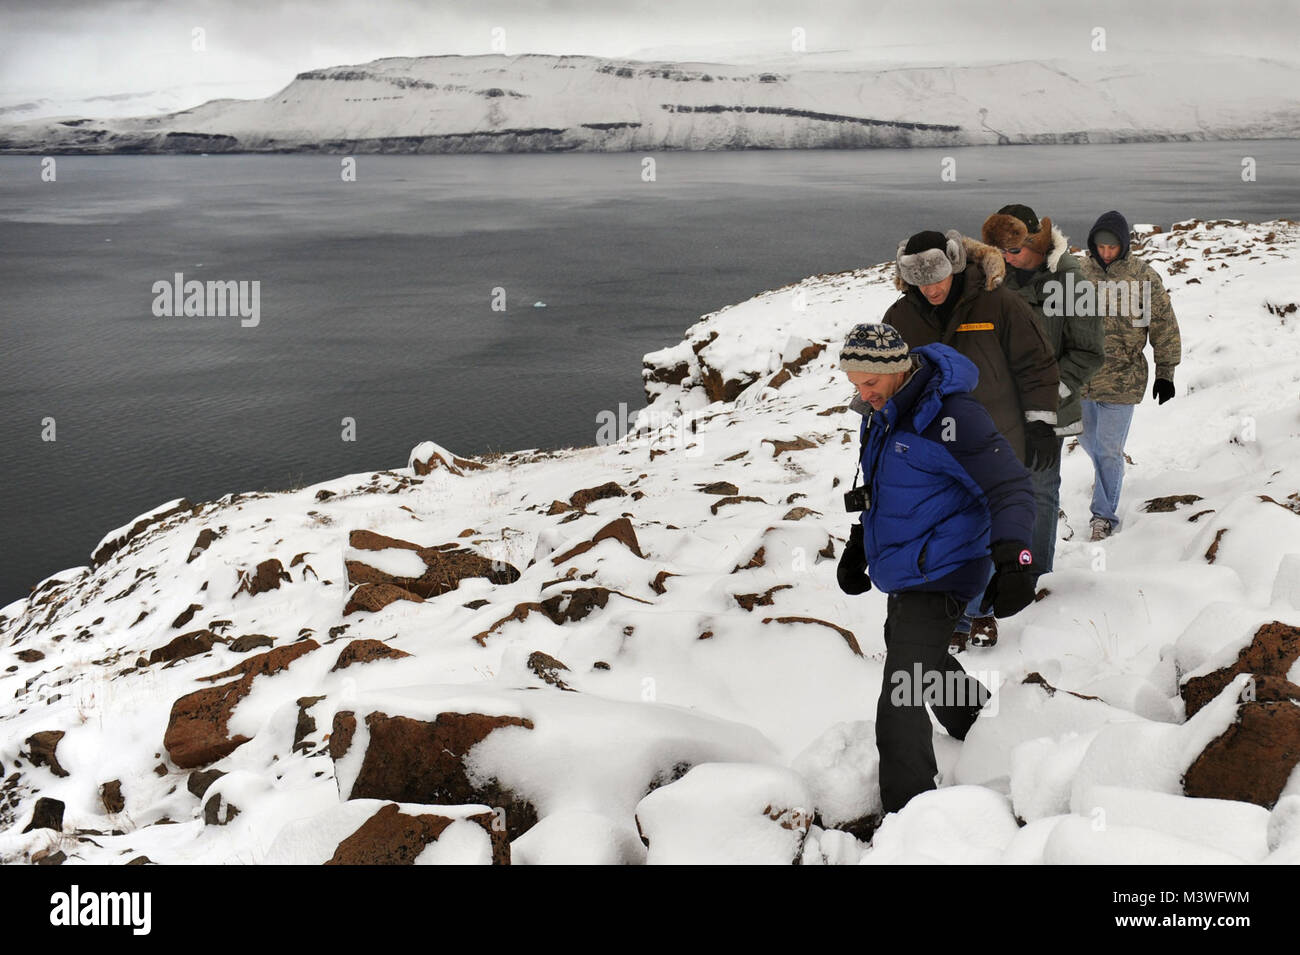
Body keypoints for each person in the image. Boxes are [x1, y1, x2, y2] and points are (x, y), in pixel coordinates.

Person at [835, 322, 1036, 815]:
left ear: (899, 369)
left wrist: (1017, 559)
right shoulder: (883, 412)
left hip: (947, 565)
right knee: (916, 654)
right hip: (911, 564)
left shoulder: (952, 416)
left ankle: (909, 812)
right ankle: (980, 723)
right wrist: (862, 542)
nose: (862, 395)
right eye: (855, 383)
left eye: (870, 383)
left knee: (900, 692)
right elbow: (890, 489)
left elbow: (1010, 485)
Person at [884, 229, 1058, 650]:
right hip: (932, 446)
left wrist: (1040, 423)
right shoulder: (899, 317)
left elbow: (1035, 363)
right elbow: (891, 381)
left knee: (984, 527)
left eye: (938, 277)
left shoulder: (998, 302)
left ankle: (977, 615)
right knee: (947, 528)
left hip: (994, 435)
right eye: (920, 281)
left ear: (955, 264)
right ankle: (951, 614)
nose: (932, 289)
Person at [981, 204, 1104, 580]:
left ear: (1037, 241)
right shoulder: (991, 280)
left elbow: (1088, 353)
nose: (1006, 258)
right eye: (1000, 251)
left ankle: (1031, 576)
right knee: (992, 492)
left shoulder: (1073, 284)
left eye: (1014, 250)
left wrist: (1045, 395)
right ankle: (994, 574)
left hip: (1051, 409)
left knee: (1039, 490)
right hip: (997, 411)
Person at [1077, 211, 1183, 541]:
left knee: (1107, 450)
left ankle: (1102, 516)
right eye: (1100, 246)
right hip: (1081, 381)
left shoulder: (1143, 278)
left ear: (1124, 245)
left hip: (1123, 380)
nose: (1106, 252)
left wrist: (1165, 372)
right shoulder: (1077, 274)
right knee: (1089, 443)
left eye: (1112, 247)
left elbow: (1164, 325)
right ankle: (1108, 476)